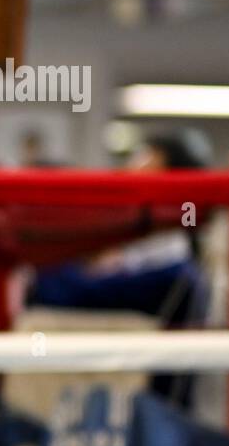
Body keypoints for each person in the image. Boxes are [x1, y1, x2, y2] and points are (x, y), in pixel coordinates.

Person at [28, 128, 213, 407]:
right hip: (131, 409)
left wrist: (49, 273)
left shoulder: (171, 266)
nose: (131, 169)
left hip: (145, 417)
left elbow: (64, 292)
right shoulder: (148, 249)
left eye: (144, 161)